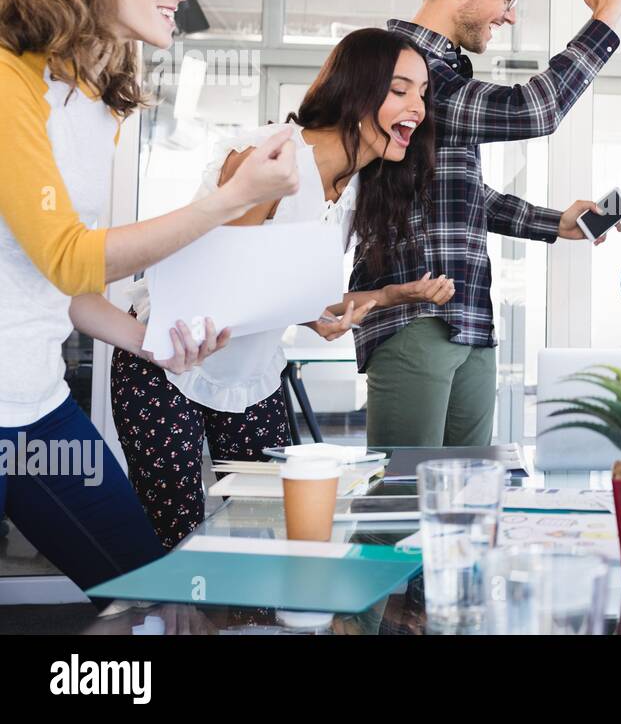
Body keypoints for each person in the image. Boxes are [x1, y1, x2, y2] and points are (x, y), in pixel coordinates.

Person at [0, 0, 297, 592]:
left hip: (33, 410)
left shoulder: (94, 103)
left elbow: (66, 285)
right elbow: (69, 251)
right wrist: (230, 200)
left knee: (149, 592)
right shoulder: (9, 82)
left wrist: (148, 341)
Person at [111, 27, 454, 547]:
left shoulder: (356, 189)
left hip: (249, 376)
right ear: (356, 91)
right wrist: (301, 308)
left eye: (423, 94)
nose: (418, 108)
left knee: (263, 535)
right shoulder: (270, 159)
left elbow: (281, 292)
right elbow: (214, 284)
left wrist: (389, 297)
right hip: (163, 363)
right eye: (401, 90)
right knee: (176, 541)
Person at [351, 0, 621, 448]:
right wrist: (605, 19)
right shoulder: (398, 67)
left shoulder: (446, 74)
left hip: (470, 318)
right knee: (404, 497)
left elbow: (460, 195)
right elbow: (534, 110)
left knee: (468, 502)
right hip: (415, 316)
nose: (510, 13)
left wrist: (555, 223)